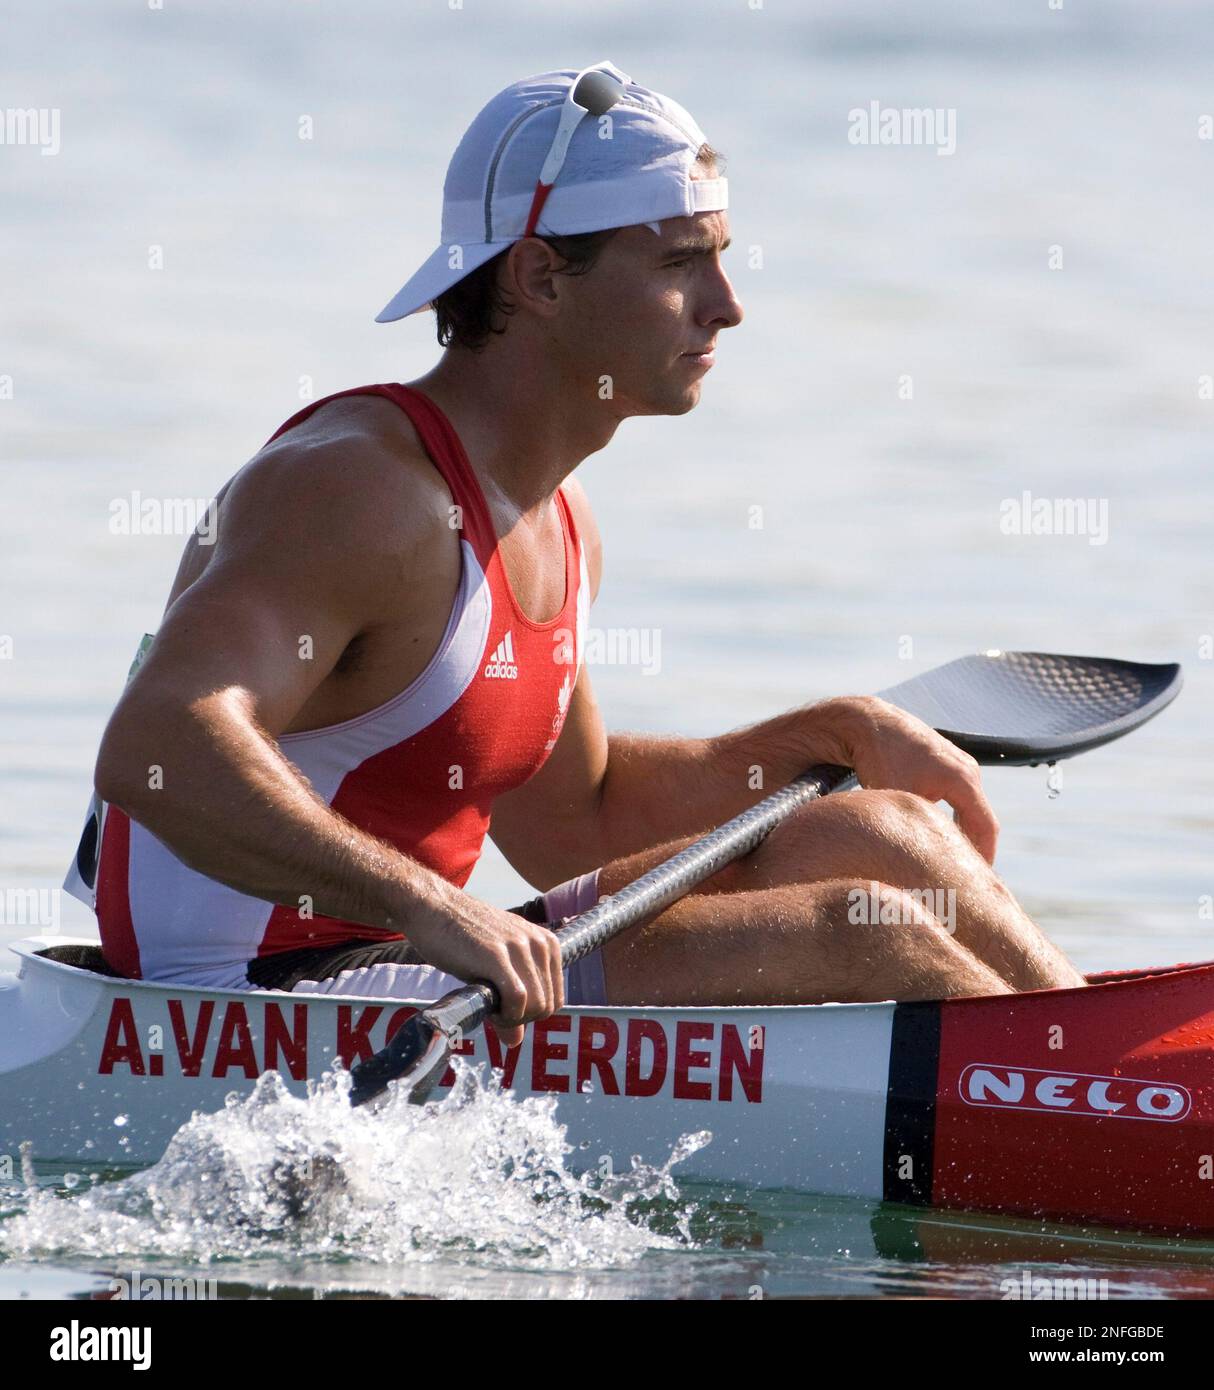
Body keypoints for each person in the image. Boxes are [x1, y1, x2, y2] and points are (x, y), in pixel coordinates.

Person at [70, 61, 1083, 1050]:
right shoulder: (360, 489)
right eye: (681, 261)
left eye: (719, 257)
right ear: (538, 275)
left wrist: (834, 729)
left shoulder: (557, 518)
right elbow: (158, 746)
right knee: (864, 933)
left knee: (883, 839)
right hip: (223, 1011)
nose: (726, 305)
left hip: (409, 969)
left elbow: (581, 821)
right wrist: (431, 906)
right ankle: (1104, 1123)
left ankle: (1111, 1071)